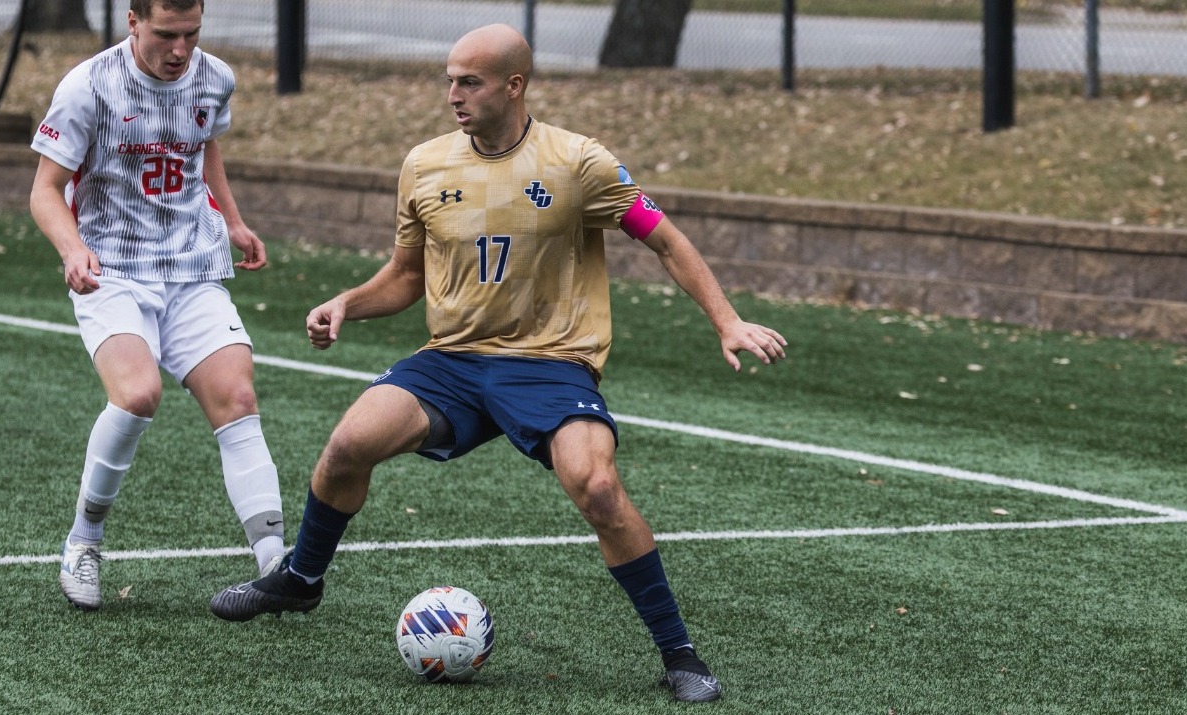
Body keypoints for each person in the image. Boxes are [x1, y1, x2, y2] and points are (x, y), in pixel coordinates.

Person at [210, 23, 786, 702]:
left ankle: (679, 653)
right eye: (449, 79)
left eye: (469, 81)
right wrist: (346, 303)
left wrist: (727, 319)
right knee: (345, 446)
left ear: (513, 86)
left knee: (597, 487)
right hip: (450, 360)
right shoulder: (425, 165)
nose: (452, 93)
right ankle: (301, 580)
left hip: (550, 364)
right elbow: (404, 275)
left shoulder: (577, 162)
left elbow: (664, 241)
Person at [29, 0, 287, 611]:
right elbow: (44, 190)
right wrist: (71, 249)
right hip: (111, 270)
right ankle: (84, 541)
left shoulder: (215, 76)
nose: (180, 50)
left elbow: (206, 150)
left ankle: (278, 565)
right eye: (166, 35)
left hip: (192, 267)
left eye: (191, 34)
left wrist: (233, 221)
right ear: (133, 22)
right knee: (138, 394)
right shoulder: (88, 86)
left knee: (238, 398)